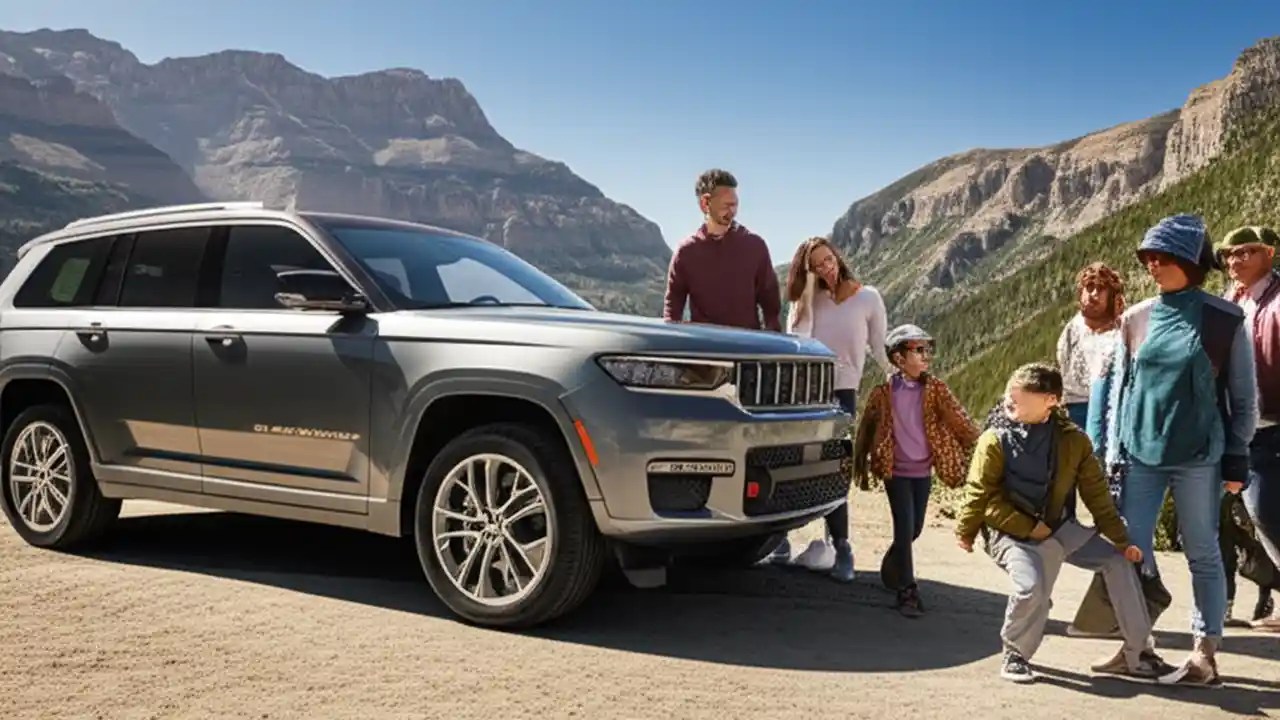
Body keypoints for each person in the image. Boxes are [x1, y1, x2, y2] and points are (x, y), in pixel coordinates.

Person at [1089, 213, 1259, 687]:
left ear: (1189, 261)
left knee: (1202, 551)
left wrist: (1237, 457)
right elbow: (1122, 390)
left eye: (1161, 257)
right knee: (1129, 550)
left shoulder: (1224, 320)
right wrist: (1112, 453)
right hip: (1139, 452)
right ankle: (1136, 648)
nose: (1152, 265)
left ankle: (1205, 654)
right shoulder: (1136, 318)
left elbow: (1244, 398)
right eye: (1147, 257)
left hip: (1199, 456)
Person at [955, 363, 1176, 684]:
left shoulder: (1073, 441)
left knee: (1117, 562)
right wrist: (968, 531)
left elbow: (1097, 496)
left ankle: (1139, 655)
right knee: (1031, 588)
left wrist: (1122, 540)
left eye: (1017, 398)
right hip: (1009, 532)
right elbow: (980, 494)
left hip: (1058, 527)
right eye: (1009, 397)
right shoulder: (994, 438)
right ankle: (1015, 654)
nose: (1008, 402)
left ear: (1050, 401)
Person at [765, 236, 893, 579]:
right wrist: (807, 294)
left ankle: (842, 548)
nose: (826, 268)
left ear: (837, 257)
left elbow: (879, 347)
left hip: (842, 393)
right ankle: (779, 540)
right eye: (817, 265)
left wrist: (898, 378)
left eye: (829, 260)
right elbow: (801, 343)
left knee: (835, 468)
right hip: (804, 393)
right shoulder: (806, 302)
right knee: (791, 463)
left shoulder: (868, 297)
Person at [852, 324, 979, 617]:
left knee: (915, 528)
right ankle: (907, 590)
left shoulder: (935, 389)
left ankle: (892, 564)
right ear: (899, 358)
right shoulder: (883, 394)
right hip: (895, 470)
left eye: (927, 350)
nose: (926, 356)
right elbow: (867, 429)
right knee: (904, 526)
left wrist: (980, 442)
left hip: (923, 471)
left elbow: (958, 418)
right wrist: (861, 463)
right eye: (919, 350)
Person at [1217, 224, 1280, 630]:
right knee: (1245, 516)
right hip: (1236, 425)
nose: (1235, 260)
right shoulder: (1232, 299)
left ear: (1269, 254)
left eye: (1246, 251)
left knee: (1266, 512)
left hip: (1271, 424)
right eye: (1229, 254)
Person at [662, 168, 782, 331]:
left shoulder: (755, 246)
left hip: (747, 344)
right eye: (727, 205)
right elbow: (672, 308)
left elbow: (771, 303)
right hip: (705, 344)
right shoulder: (686, 252)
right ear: (705, 203)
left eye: (735, 204)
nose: (733, 211)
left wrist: (772, 337)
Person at [1057, 262, 1126, 430]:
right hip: (1076, 407)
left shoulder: (1123, 329)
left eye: (1101, 289)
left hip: (1112, 406)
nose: (1094, 294)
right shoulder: (1072, 329)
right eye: (1089, 287)